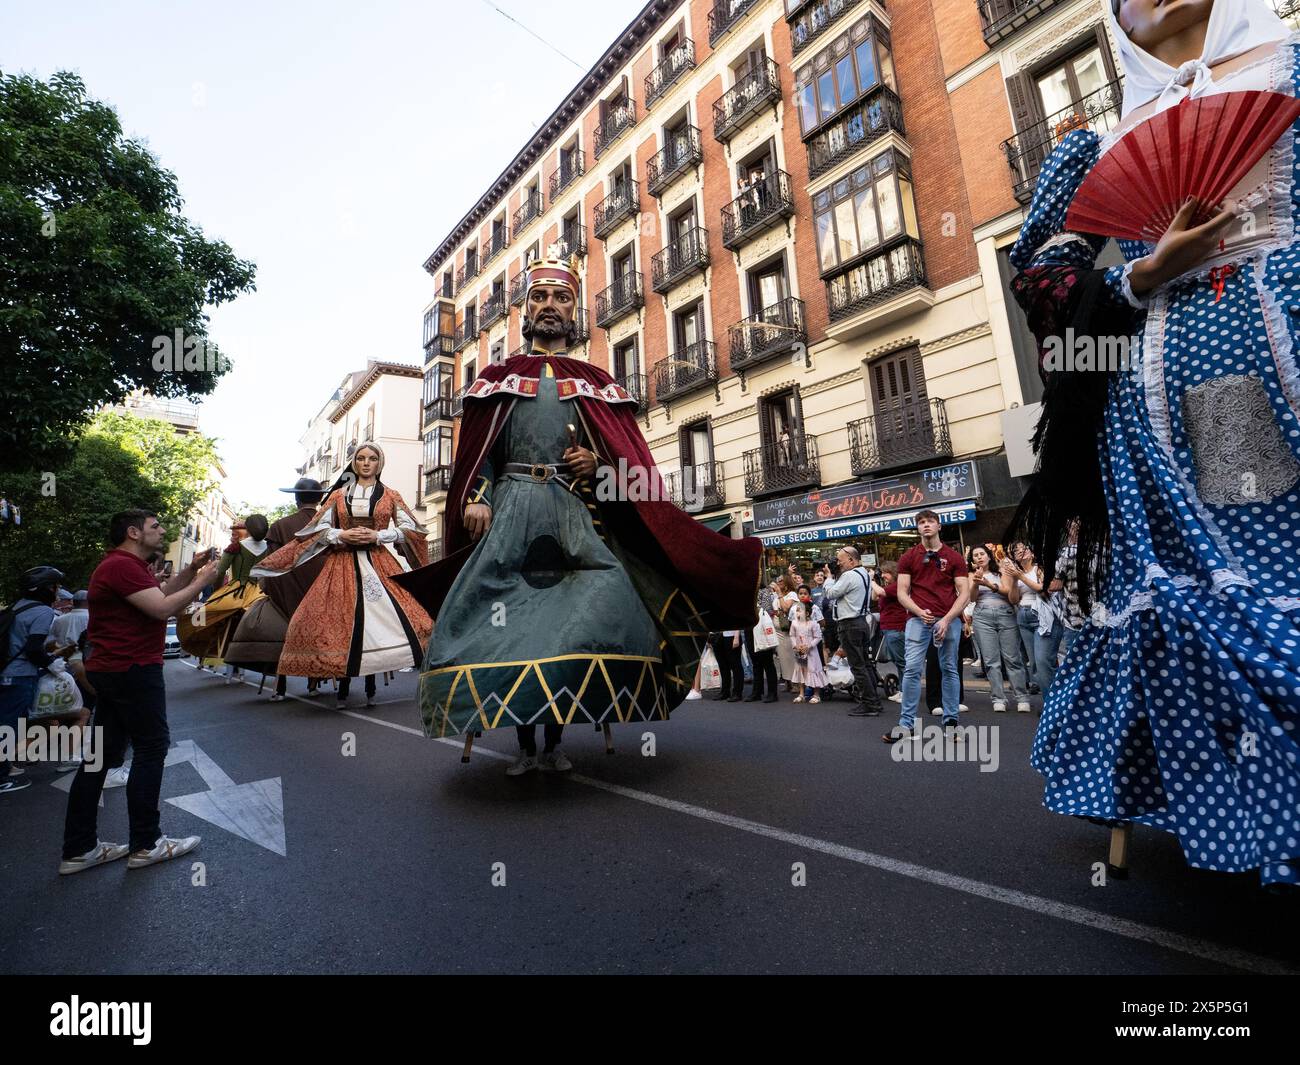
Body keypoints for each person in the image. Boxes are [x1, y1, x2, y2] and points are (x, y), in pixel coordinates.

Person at [1006, 0, 1300, 886]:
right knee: (1220, 596)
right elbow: (1045, 279)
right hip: (1170, 406)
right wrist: (1141, 274)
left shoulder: (1289, 71)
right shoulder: (1091, 147)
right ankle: (1254, 810)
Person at [395, 253, 761, 775]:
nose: (549, 306)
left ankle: (553, 743)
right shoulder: (496, 380)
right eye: (539, 298)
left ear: (574, 312)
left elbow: (627, 471)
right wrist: (476, 495)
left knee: (576, 622)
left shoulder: (597, 383)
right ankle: (523, 748)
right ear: (524, 311)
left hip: (573, 515)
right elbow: (481, 457)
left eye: (561, 298)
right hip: (510, 515)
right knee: (509, 630)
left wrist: (597, 463)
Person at [59, 510, 218, 874]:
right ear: (133, 533)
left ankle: (79, 848)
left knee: (102, 756)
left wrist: (190, 571)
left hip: (114, 670)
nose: (163, 531)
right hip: (132, 668)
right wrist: (204, 580)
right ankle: (146, 843)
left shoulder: (125, 567)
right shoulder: (121, 566)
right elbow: (163, 607)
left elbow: (157, 594)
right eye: (155, 527)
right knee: (151, 748)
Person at [251, 447, 431, 710]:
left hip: (379, 562)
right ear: (354, 463)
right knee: (339, 623)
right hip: (343, 564)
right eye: (360, 458)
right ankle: (344, 686)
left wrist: (378, 536)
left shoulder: (391, 495)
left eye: (372, 459)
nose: (366, 463)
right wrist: (341, 536)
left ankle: (369, 686)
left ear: (380, 463)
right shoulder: (338, 495)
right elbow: (318, 529)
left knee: (386, 622)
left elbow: (412, 529)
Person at [226, 477, 328, 701]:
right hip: (322, 593)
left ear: (296, 498)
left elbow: (273, 563)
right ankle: (313, 683)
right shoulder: (330, 525)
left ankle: (279, 688)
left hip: (287, 592)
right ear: (320, 499)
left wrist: (272, 589)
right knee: (317, 637)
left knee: (282, 639)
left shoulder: (280, 526)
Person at [886, 512, 968, 742]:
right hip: (917, 620)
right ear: (918, 529)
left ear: (939, 526)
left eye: (930, 521)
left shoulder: (954, 557)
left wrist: (948, 619)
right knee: (912, 669)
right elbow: (902, 592)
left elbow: (964, 594)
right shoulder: (909, 557)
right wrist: (919, 611)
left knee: (949, 669)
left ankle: (951, 723)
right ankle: (906, 725)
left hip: (948, 620)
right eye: (921, 523)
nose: (926, 525)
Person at [0, 567, 64, 793]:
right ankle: (1, 777)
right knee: (9, 727)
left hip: (6, 672)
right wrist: (51, 663)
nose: (58, 591)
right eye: (56, 586)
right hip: (20, 676)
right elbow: (33, 648)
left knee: (4, 723)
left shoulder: (17, 606)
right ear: (47, 588)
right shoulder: (43, 612)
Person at [820, 546, 883, 718]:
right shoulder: (864, 573)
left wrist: (829, 577)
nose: (838, 563)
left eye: (840, 560)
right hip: (862, 621)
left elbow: (831, 593)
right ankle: (874, 701)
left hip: (850, 624)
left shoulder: (848, 575)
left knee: (857, 666)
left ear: (851, 559)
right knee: (866, 664)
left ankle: (869, 704)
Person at [967, 544, 1031, 714]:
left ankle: (1022, 697)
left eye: (982, 554)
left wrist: (988, 584)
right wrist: (976, 582)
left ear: (989, 556)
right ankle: (998, 698)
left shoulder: (1001, 571)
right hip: (982, 616)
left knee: (1013, 658)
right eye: (975, 555)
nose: (979, 557)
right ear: (972, 560)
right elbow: (972, 598)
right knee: (990, 661)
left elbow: (1008, 592)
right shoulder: (971, 575)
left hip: (1006, 614)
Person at [1006, 541, 1058, 695]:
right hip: (1023, 615)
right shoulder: (1015, 575)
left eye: (1025, 548)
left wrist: (1020, 576)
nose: (1022, 551)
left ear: (1032, 553)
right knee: (1034, 663)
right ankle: (1048, 700)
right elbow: (1014, 599)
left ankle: (1054, 701)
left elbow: (1044, 590)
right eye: (1017, 551)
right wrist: (1015, 580)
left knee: (1044, 661)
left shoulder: (1039, 569)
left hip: (1041, 616)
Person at [744, 582, 779, 703]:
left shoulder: (764, 591)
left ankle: (772, 692)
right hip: (749, 626)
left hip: (761, 626)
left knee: (767, 662)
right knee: (755, 662)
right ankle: (757, 692)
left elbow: (768, 609)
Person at [789, 602, 825, 704]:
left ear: (807, 613)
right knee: (801, 671)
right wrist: (795, 645)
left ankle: (816, 694)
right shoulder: (794, 623)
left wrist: (809, 646)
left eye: (800, 610)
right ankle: (801, 694)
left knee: (813, 670)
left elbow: (818, 637)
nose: (797, 613)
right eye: (797, 611)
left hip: (811, 652)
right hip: (799, 651)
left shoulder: (813, 624)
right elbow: (791, 635)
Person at [709, 629, 743, 702]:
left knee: (735, 665)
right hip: (716, 635)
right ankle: (725, 691)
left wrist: (736, 636)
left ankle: (737, 693)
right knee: (723, 665)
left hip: (731, 634)